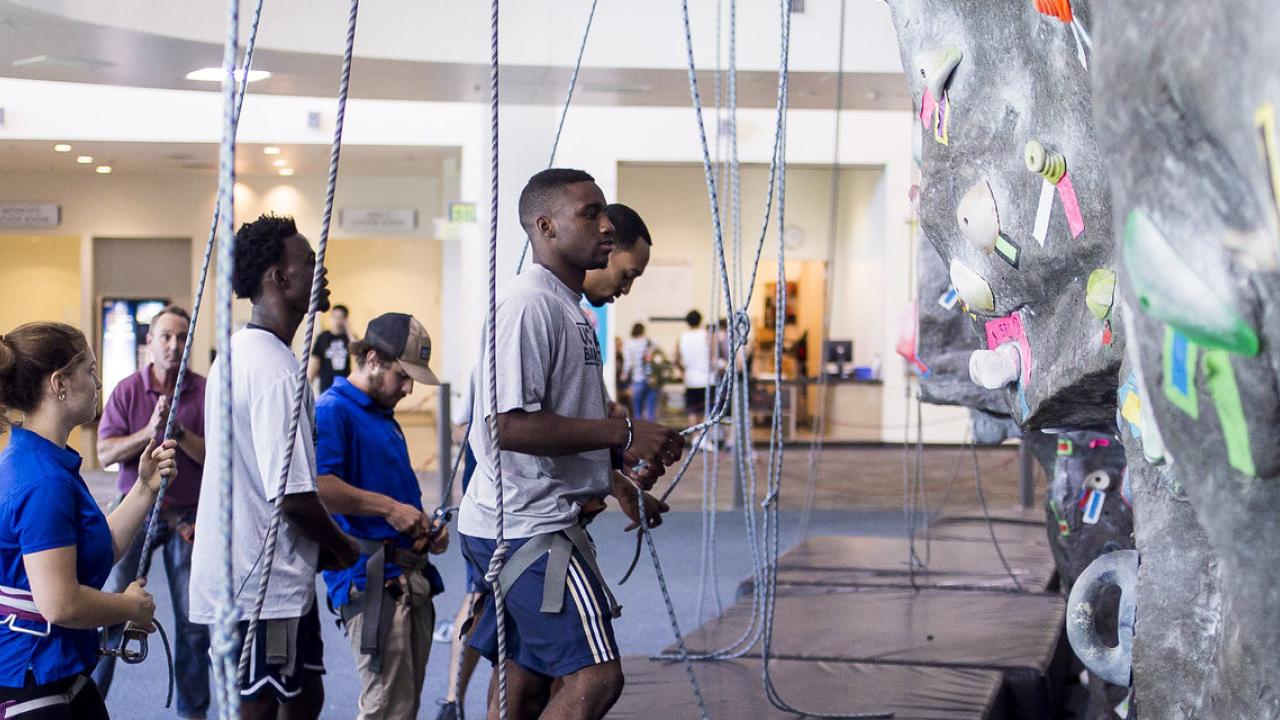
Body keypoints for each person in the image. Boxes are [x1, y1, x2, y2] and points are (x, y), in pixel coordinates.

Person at [458, 168, 684, 720]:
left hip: (528, 522)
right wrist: (624, 432)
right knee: (598, 677)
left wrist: (617, 469)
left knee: (525, 682)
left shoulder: (567, 309)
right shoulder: (530, 304)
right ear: (546, 226)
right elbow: (505, 427)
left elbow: (558, 423)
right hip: (528, 527)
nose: (607, 226)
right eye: (591, 214)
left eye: (606, 214)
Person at [188, 213, 360, 720]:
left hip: (268, 580)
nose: (321, 271)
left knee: (304, 697)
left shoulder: (242, 353)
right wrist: (340, 544)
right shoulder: (274, 369)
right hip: (261, 587)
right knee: (261, 707)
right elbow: (291, 496)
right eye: (310, 262)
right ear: (278, 278)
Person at [0, 321, 176, 719]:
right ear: (60, 383)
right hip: (37, 685)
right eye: (90, 371)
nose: (98, 383)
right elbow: (60, 603)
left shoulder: (45, 463)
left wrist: (145, 487)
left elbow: (100, 548)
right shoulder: (43, 481)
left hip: (63, 680)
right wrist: (128, 606)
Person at [314, 312, 450, 720]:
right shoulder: (333, 410)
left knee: (402, 706)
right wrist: (390, 510)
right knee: (385, 708)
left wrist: (424, 526)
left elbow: (389, 493)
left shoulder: (381, 414)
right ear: (372, 359)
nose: (409, 389)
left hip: (410, 577)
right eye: (402, 376)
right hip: (371, 581)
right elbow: (321, 487)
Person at [92, 305, 210, 720]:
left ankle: (193, 712)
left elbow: (216, 458)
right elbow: (104, 452)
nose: (174, 345)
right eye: (166, 337)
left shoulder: (204, 391)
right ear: (150, 342)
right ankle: (89, 703)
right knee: (108, 609)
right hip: (133, 511)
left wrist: (178, 431)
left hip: (186, 518)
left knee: (193, 622)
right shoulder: (127, 390)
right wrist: (148, 432)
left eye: (182, 338)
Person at [674, 310, 712, 427]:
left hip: (690, 379)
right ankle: (703, 436)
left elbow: (676, 358)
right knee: (706, 410)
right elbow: (713, 355)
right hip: (706, 378)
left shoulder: (682, 337)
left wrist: (681, 370)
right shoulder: (706, 335)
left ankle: (695, 437)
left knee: (692, 411)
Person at [309, 304, 353, 395]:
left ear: (345, 320)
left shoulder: (349, 338)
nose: (336, 320)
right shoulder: (322, 337)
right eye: (334, 317)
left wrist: (349, 330)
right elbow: (315, 361)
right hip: (326, 386)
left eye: (340, 317)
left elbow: (357, 353)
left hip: (344, 386)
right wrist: (309, 384)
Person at [621, 324, 659, 422]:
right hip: (650, 379)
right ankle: (651, 432)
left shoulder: (629, 344)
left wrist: (624, 375)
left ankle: (639, 433)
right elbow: (656, 347)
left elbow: (628, 364)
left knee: (637, 410)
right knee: (650, 409)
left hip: (637, 379)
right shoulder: (648, 342)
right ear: (642, 331)